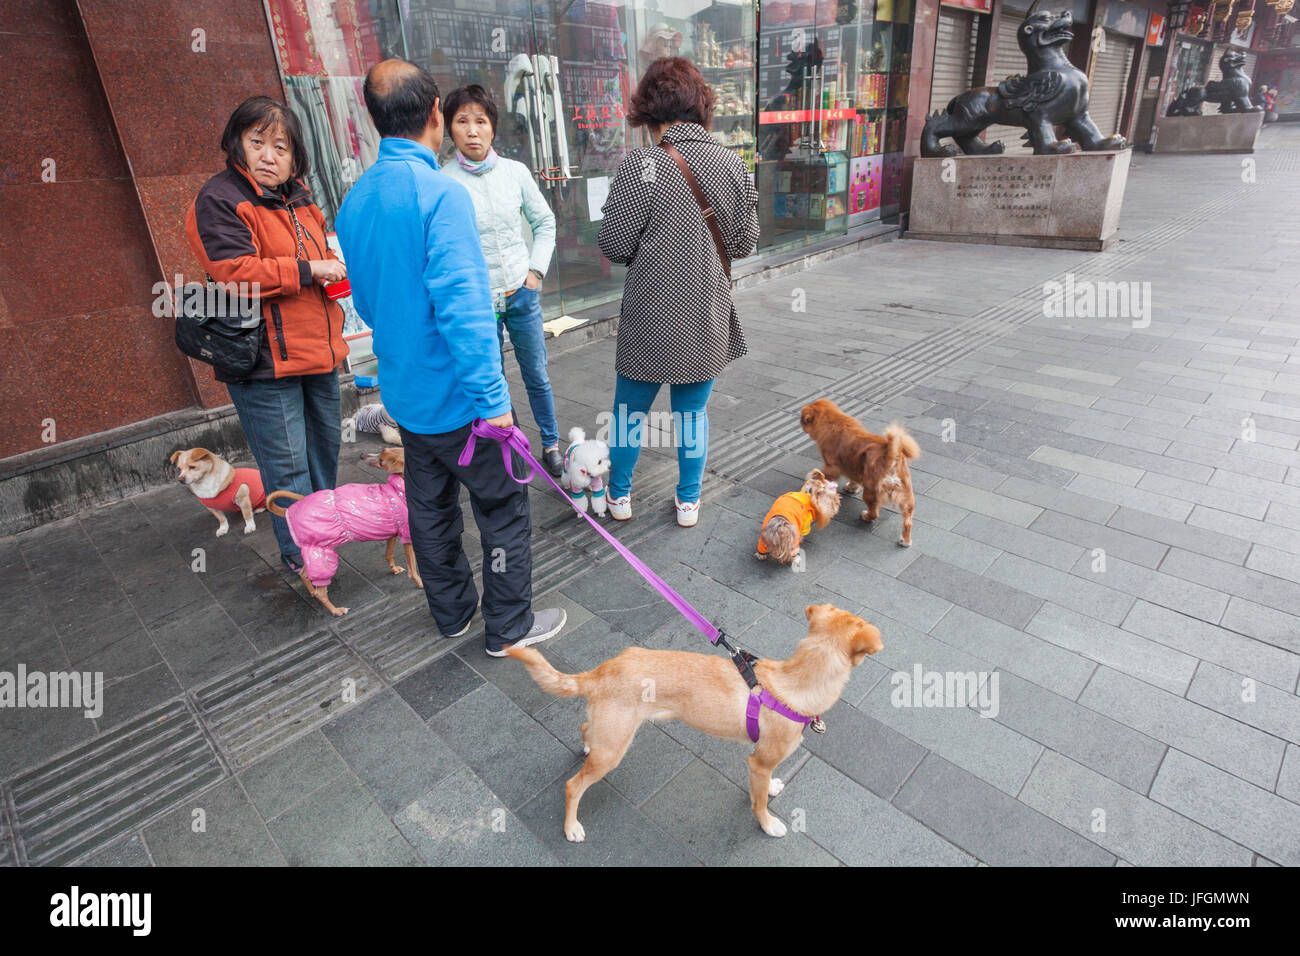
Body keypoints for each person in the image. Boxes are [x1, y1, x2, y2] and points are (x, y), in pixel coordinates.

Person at [335, 59, 565, 657]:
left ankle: (453, 614)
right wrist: (495, 404)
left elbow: (365, 300)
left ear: (374, 118)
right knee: (501, 508)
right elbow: (464, 315)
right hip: (462, 401)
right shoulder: (442, 194)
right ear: (435, 112)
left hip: (406, 396)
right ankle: (509, 626)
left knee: (431, 509)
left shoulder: (355, 203)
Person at [186, 96, 349, 575]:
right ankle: (302, 557)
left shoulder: (299, 195)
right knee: (289, 469)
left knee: (325, 455)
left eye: (281, 146)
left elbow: (318, 259)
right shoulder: (219, 198)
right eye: (257, 141)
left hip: (318, 352)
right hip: (265, 362)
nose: (268, 155)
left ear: (295, 156)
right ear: (237, 142)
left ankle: (324, 536)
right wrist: (308, 268)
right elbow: (234, 271)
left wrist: (333, 272)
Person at [596, 57, 758, 527]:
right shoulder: (733, 165)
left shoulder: (640, 166)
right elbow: (745, 242)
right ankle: (689, 501)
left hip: (650, 317)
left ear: (650, 111)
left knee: (628, 413)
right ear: (700, 106)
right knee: (692, 414)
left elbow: (615, 244)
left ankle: (619, 497)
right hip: (706, 311)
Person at [439, 84, 564, 478]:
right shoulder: (445, 182)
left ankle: (550, 441)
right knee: (490, 379)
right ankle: (505, 447)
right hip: (477, 301)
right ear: (450, 129)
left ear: (493, 128)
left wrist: (535, 272)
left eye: (480, 121)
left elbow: (545, 222)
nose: (472, 130)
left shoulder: (516, 173)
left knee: (536, 374)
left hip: (520, 293)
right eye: (462, 122)